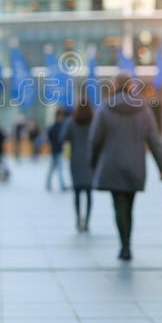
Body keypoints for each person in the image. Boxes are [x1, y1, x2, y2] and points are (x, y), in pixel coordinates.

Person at [90, 73, 162, 261]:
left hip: (112, 165)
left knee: (118, 205)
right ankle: (127, 243)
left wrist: (92, 163)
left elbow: (95, 140)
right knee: (130, 205)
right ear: (131, 86)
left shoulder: (105, 108)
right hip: (135, 165)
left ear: (115, 85)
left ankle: (123, 244)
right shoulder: (143, 109)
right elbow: (154, 140)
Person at [62, 98, 94, 232]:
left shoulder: (71, 122)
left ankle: (77, 218)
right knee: (88, 192)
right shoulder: (94, 122)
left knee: (76, 192)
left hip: (75, 160)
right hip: (90, 160)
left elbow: (63, 137)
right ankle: (86, 221)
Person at [46, 109, 68, 191]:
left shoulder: (60, 126)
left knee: (54, 169)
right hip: (56, 150)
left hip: (58, 150)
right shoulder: (56, 126)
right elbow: (52, 137)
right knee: (58, 169)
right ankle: (60, 185)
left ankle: (49, 184)